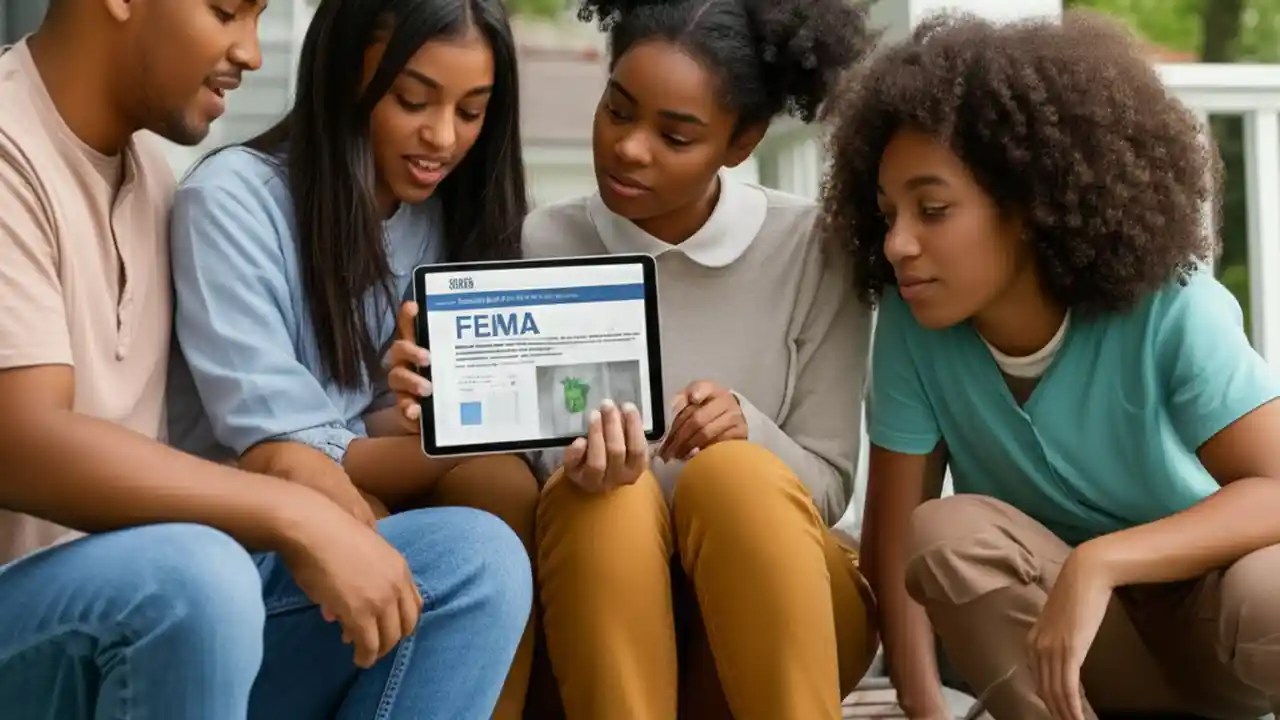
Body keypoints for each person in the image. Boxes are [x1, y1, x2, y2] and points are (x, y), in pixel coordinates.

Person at [0, 1, 530, 718]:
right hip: (45, 614)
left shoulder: (151, 178)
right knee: (199, 573)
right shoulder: (14, 152)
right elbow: (20, 443)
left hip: (154, 611)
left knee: (476, 560)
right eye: (227, 11)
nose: (252, 52)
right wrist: (291, 508)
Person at [386, 0, 881, 717]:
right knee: (602, 499)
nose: (630, 148)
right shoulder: (539, 241)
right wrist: (429, 396)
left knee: (733, 476)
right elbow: (516, 460)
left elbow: (831, 485)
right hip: (598, 618)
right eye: (617, 111)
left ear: (740, 144)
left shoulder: (812, 248)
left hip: (782, 617)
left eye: (674, 136)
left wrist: (748, 428)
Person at [822, 10, 1280, 720]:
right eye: (888, 215)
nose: (898, 244)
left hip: (1212, 631)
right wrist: (924, 710)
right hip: (1064, 667)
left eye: (933, 209)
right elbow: (892, 544)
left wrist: (1104, 562)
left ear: (1030, 206)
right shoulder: (915, 326)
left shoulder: (1169, 306)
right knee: (946, 535)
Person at [164, 0, 540, 717]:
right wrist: (474, 424)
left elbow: (372, 433)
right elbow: (296, 461)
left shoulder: (439, 217)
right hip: (242, 572)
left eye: (472, 111)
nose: (443, 137)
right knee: (466, 546)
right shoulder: (234, 203)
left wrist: (461, 420)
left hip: (356, 529)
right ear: (345, 77)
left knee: (500, 483)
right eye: (412, 100)